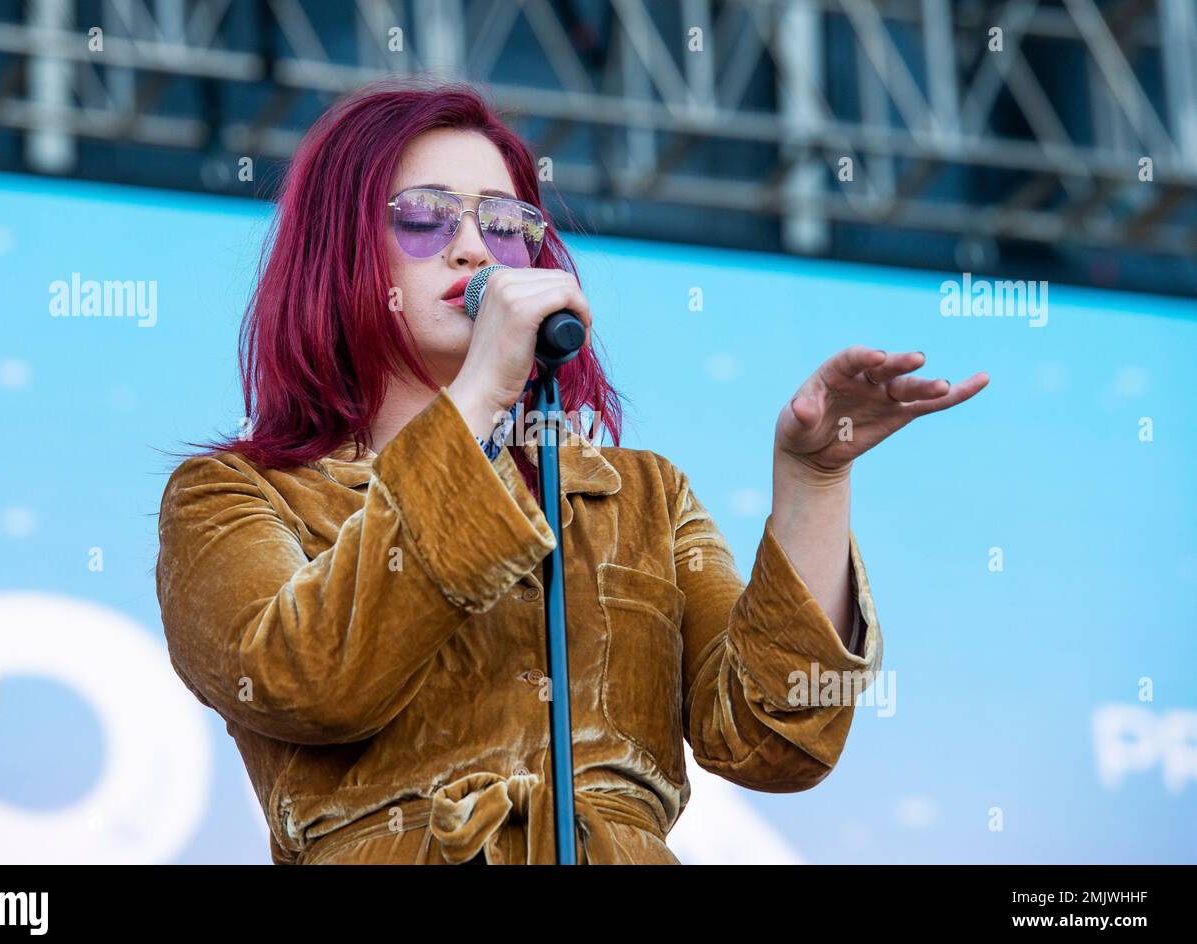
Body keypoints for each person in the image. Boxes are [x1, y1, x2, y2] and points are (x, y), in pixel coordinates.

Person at [154, 77, 988, 865]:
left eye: (506, 223)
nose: (473, 248)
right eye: (424, 217)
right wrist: (480, 392)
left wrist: (814, 480)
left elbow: (774, 740)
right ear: (337, 249)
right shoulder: (234, 497)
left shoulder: (641, 497)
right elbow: (313, 681)